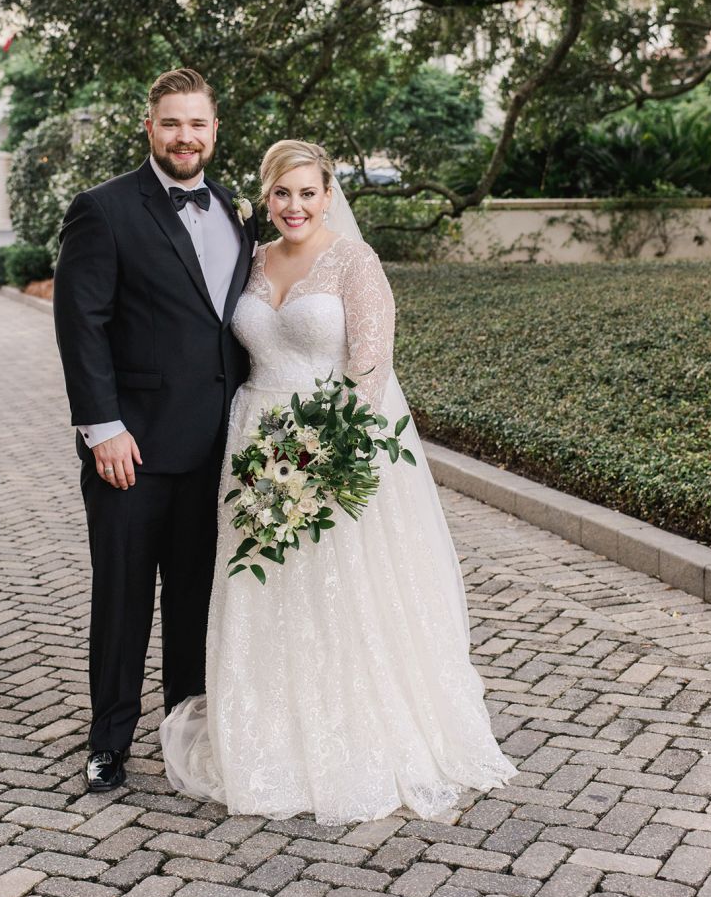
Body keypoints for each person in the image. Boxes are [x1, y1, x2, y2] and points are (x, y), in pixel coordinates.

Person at [160, 139, 516, 823]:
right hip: (253, 444)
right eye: (282, 193)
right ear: (266, 197)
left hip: (330, 441)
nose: (294, 206)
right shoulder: (252, 259)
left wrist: (325, 450)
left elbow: (369, 366)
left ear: (327, 194)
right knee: (262, 585)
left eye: (307, 193)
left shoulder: (354, 261)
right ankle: (263, 735)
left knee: (336, 586)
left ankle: (352, 735)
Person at [53, 68, 257, 793]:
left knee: (196, 599)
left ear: (213, 128)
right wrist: (100, 426)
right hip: (130, 450)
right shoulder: (102, 209)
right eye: (171, 122)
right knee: (122, 597)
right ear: (149, 126)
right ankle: (108, 739)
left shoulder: (239, 210)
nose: (184, 136)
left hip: (217, 449)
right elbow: (82, 325)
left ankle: (185, 731)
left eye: (196, 123)